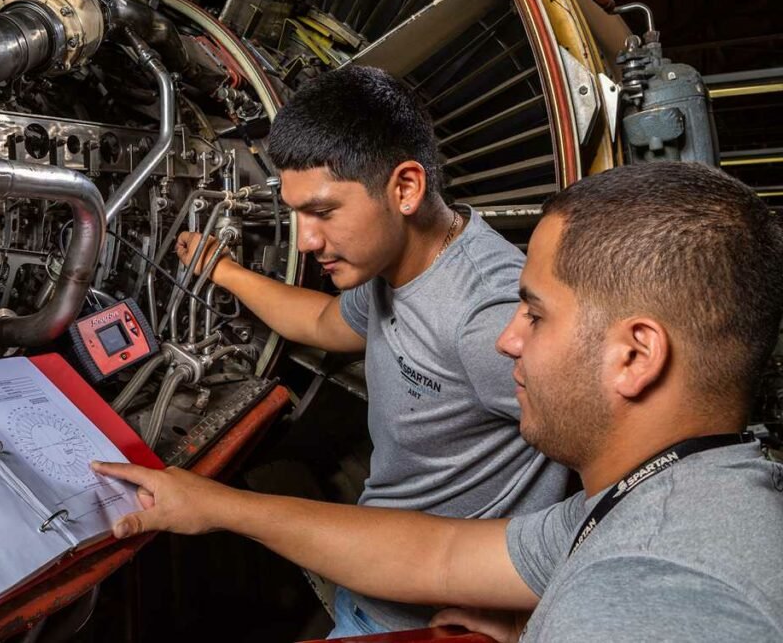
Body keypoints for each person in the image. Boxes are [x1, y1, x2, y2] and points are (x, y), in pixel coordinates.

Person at [96, 162, 783, 641]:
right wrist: (210, 504)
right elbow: (440, 554)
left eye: (535, 315)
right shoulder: (666, 493)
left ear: (635, 355)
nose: (508, 340)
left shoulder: (648, 592)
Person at [173, 65, 568, 634]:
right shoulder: (390, 268)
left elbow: (615, 479)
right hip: (372, 591)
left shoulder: (489, 318)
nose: (307, 241)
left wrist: (536, 623)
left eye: (323, 212)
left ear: (405, 188)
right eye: (297, 214)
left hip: (428, 625)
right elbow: (325, 320)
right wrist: (224, 271)